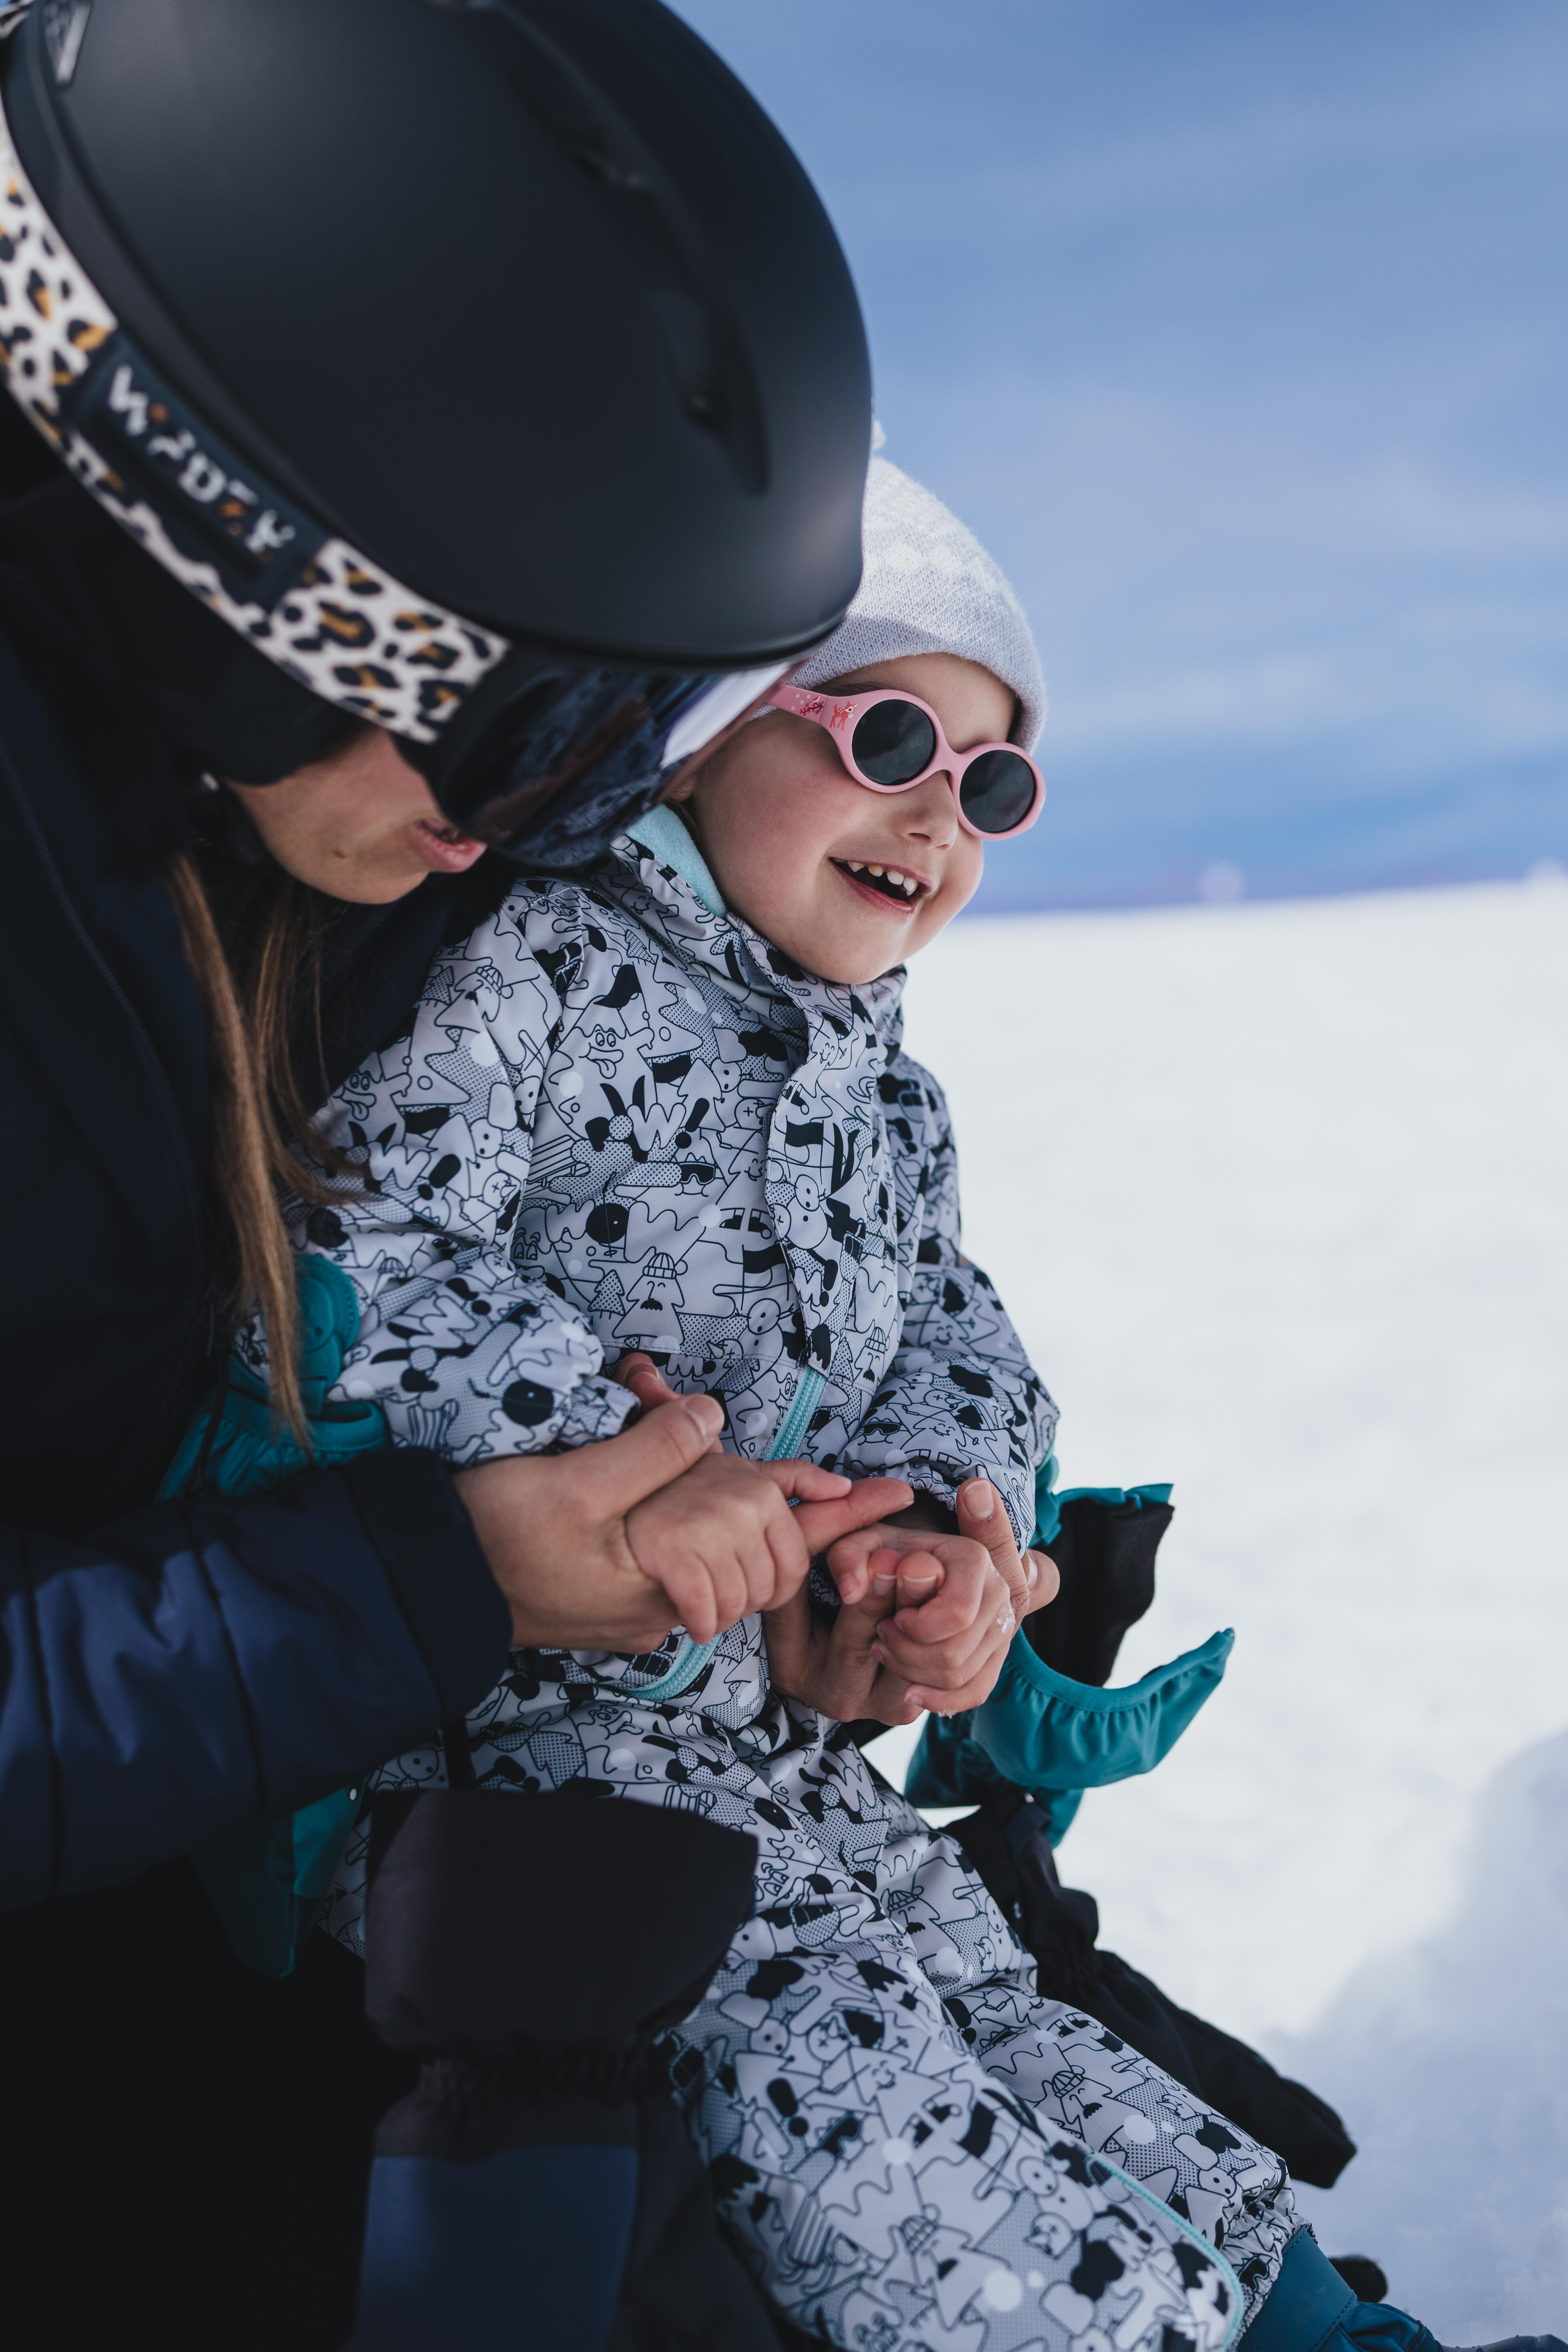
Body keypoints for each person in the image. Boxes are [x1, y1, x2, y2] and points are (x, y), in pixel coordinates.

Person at [0, 1, 915, 2340]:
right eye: (536, 718)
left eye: (638, 738)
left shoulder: (302, 843)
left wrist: (816, 1545)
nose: (549, 822)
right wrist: (426, 1580)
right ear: (218, 552)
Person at [228, 455, 1290, 2352]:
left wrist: (935, 1518)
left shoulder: (892, 1095)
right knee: (881, 2128)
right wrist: (617, 1457)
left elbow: (954, 1327)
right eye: (888, 735)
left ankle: (1298, 2317)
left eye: (993, 784)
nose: (938, 814)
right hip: (526, 1760)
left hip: (775, 1746)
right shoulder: (539, 959)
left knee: (1037, 2034)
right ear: (712, 727)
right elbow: (346, 1245)